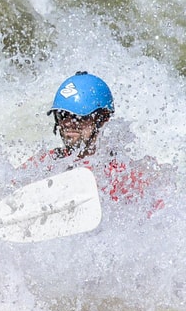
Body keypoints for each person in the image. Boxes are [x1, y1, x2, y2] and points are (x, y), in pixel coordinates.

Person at [26, 72, 165, 209]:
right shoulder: (45, 162)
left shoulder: (121, 174)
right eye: (62, 115)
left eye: (78, 116)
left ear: (102, 118)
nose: (68, 123)